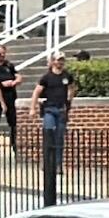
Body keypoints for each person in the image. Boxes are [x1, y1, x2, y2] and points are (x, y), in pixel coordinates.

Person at [34, 53, 75, 206]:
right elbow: (36, 92)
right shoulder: (46, 77)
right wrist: (33, 108)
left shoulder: (67, 76)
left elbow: (71, 88)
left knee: (60, 138)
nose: (59, 62)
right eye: (57, 60)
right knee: (48, 133)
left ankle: (57, 164)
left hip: (61, 109)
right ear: (52, 62)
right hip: (49, 109)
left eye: (62, 60)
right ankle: (47, 162)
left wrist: (69, 101)